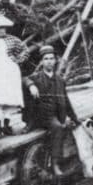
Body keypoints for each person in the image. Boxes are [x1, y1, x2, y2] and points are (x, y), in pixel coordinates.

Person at [24, 44, 79, 174]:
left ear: (55, 61)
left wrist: (75, 118)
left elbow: (66, 101)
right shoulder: (36, 78)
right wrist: (31, 85)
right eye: (46, 59)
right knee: (58, 127)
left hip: (57, 115)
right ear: (42, 62)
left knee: (68, 125)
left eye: (51, 58)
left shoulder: (59, 80)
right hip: (42, 117)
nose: (49, 61)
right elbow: (24, 79)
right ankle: (55, 163)